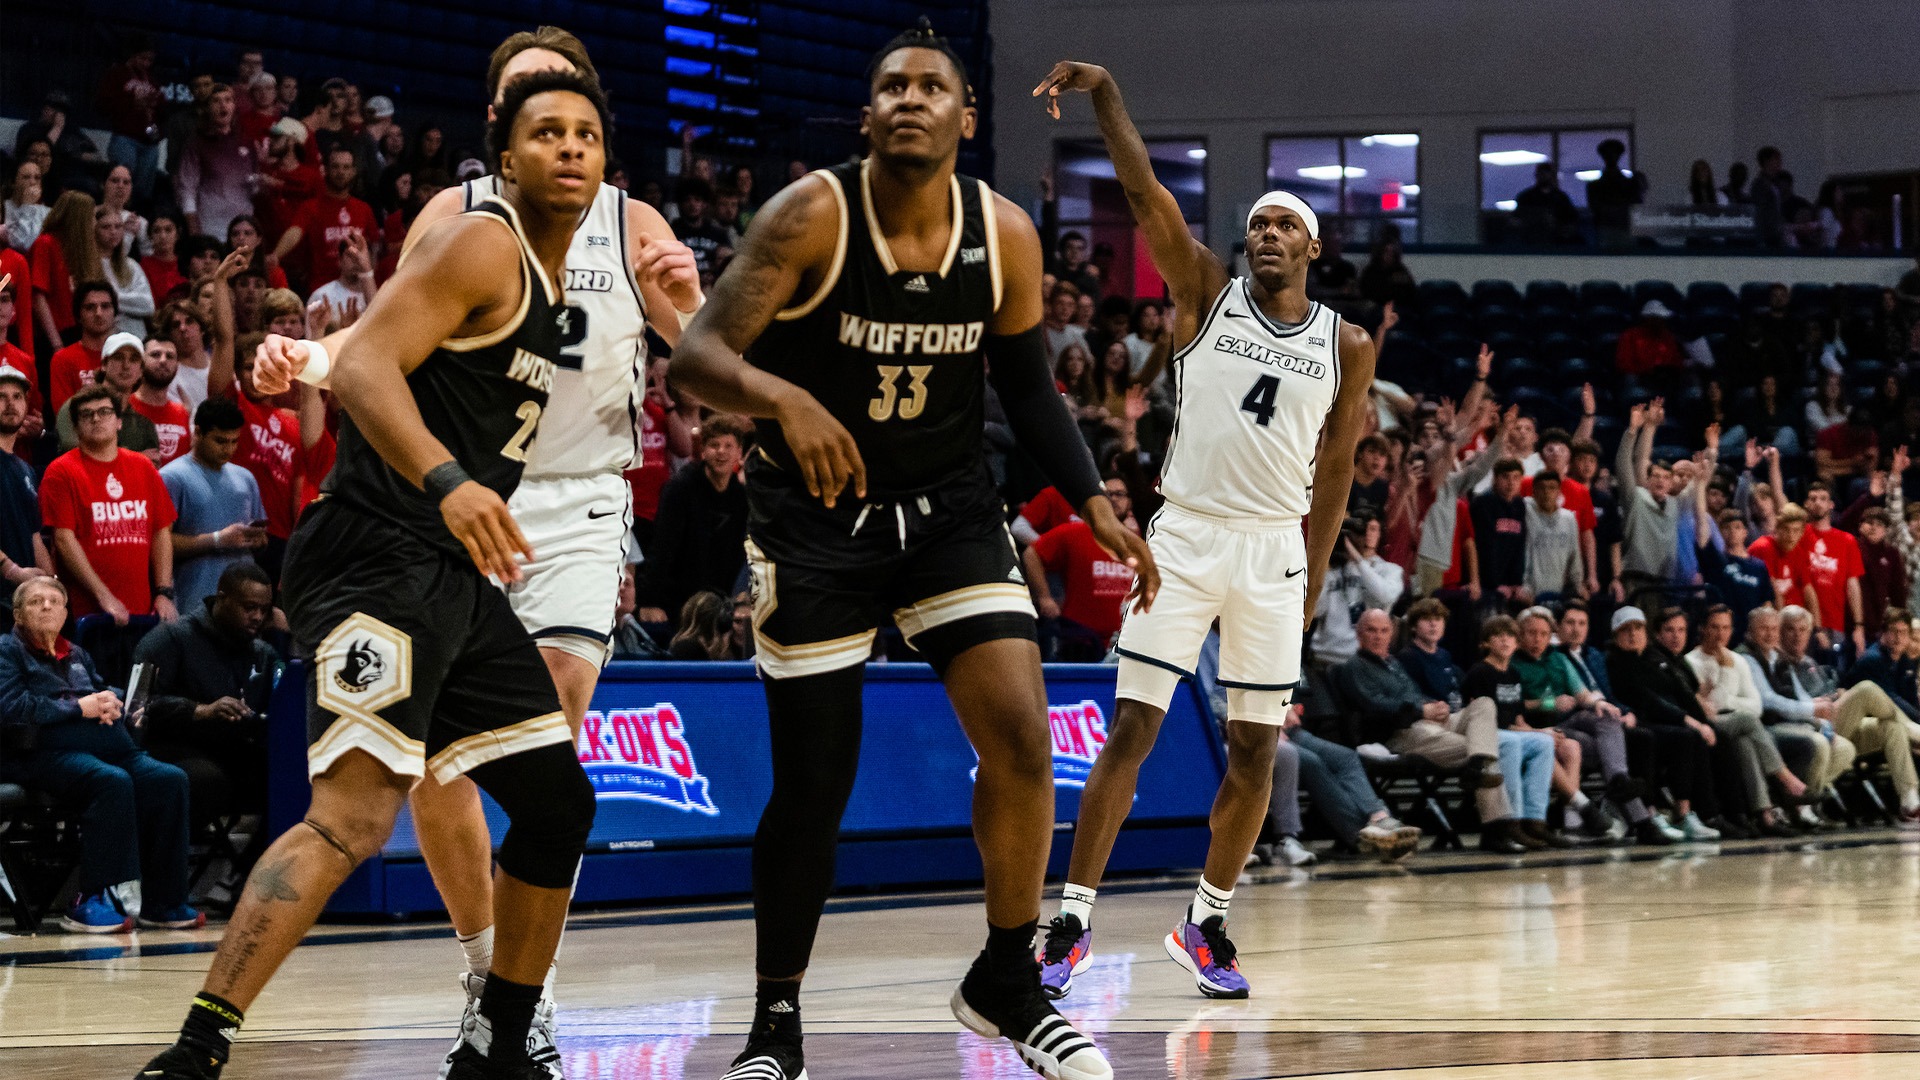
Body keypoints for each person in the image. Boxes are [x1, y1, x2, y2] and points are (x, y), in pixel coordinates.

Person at [670, 27, 1154, 1080]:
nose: (909, 98)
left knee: (1024, 740)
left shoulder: (1006, 235)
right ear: (865, 112)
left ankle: (1005, 977)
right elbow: (697, 358)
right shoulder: (808, 216)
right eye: (890, 84)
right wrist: (784, 397)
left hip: (948, 514)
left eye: (932, 86)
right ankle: (775, 1022)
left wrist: (1092, 498)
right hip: (815, 525)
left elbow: (1027, 387)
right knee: (814, 786)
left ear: (966, 118)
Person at [133, 68, 611, 1080]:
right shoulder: (484, 239)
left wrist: (301, 361)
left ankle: (501, 1044)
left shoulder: (557, 279)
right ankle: (194, 1051)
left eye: (587, 134)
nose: (570, 148)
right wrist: (447, 479)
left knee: (559, 803)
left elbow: (353, 347)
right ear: (507, 157)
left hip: (448, 570)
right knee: (352, 817)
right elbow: (363, 368)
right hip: (373, 554)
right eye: (547, 133)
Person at [1034, 54, 1376, 999]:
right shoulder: (1203, 290)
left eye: (1285, 226)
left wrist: (1311, 580)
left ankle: (1207, 924)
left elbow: (1337, 469)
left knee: (1258, 747)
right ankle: (1070, 921)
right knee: (1132, 730)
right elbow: (1143, 189)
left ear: (1312, 248)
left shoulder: (1346, 342)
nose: (1267, 234)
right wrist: (1107, 95)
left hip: (1273, 547)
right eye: (1259, 222)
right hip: (1181, 537)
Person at [0, 577, 201, 933]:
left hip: (102, 745)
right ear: (17, 614)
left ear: (65, 613)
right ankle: (92, 900)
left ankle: (164, 901)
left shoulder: (76, 653)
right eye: (35, 602)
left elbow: (96, 688)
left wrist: (113, 700)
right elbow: (12, 708)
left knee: (169, 779)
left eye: (54, 601)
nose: (46, 606)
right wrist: (80, 708)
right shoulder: (6, 652)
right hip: (40, 752)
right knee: (110, 781)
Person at [1340, 607, 1524, 853]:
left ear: (1392, 633)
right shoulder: (1354, 667)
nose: (1378, 636)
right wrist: (1420, 711)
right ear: (1358, 633)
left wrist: (1432, 706)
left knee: (1483, 705)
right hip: (1399, 733)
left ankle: (1478, 765)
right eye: (1371, 630)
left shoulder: (1393, 663)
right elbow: (1374, 707)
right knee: (1485, 752)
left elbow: (1414, 695)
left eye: (1384, 630)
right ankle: (1496, 829)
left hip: (1428, 723)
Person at [130, 561, 279, 828]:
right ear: (222, 599)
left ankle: (256, 866)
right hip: (170, 748)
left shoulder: (263, 653)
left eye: (264, 610)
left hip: (235, 749)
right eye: (249, 608)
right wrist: (200, 710)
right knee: (207, 779)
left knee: (290, 772)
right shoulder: (170, 638)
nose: (257, 616)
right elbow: (136, 706)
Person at [1760, 605, 1920, 827]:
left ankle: (1909, 802)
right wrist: (1823, 703)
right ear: (1780, 632)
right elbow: (1787, 704)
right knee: (1867, 689)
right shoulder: (1778, 664)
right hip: (1817, 725)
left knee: (1892, 727)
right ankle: (1917, 732)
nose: (1798, 636)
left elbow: (1827, 693)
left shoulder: (1810, 663)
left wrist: (1834, 695)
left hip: (1839, 724)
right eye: (1790, 629)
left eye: (1803, 630)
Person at [1510, 607, 1652, 842]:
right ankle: (1637, 817)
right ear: (1520, 636)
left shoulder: (1557, 657)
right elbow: (1511, 707)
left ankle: (1618, 781)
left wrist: (1598, 703)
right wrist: (1548, 703)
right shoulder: (1514, 663)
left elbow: (1583, 694)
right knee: (1597, 747)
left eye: (1544, 634)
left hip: (1568, 720)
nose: (1538, 639)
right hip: (1538, 727)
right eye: (1531, 633)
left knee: (1607, 716)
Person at [40, 384, 178, 625]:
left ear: (119, 422)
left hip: (145, 608)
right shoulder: (61, 471)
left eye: (104, 412)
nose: (96, 418)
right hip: (87, 611)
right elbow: (63, 539)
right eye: (87, 414)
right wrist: (103, 595)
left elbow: (161, 531)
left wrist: (163, 592)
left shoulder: (143, 467)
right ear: (75, 426)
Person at [1685, 604, 1809, 836]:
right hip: (1708, 725)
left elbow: (1756, 705)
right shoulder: (1691, 662)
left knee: (1746, 742)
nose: (1720, 634)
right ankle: (1785, 777)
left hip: (1738, 724)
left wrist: (1727, 700)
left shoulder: (1737, 661)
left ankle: (1764, 815)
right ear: (1702, 629)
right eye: (1714, 627)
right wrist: (1722, 677)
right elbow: (1705, 711)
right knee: (1746, 722)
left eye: (1725, 628)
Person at [1604, 606, 1725, 840]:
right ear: (1616, 634)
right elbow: (1649, 700)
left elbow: (1678, 692)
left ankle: (1686, 812)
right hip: (1632, 721)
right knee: (1677, 736)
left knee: (1695, 736)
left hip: (1653, 719)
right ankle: (1651, 814)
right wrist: (1690, 721)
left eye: (1638, 628)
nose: (1633, 634)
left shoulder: (1649, 659)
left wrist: (1699, 720)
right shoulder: (1616, 661)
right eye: (1626, 629)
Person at [1461, 616, 1566, 847]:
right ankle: (1512, 821)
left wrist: (1539, 733)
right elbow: (1487, 720)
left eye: (1510, 636)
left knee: (1544, 743)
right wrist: (1535, 732)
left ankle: (1535, 820)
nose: (1505, 641)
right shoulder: (1480, 672)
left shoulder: (1513, 674)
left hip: (1511, 731)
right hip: (1486, 736)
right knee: (1513, 741)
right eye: (1498, 636)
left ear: (1517, 643)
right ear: (1486, 643)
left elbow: (1518, 717)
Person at [635, 415, 749, 625]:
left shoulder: (742, 497)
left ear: (739, 453)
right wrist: (650, 601)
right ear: (703, 451)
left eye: (728, 446)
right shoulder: (679, 489)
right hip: (677, 599)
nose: (721, 452)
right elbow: (662, 549)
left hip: (720, 601)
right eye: (714, 445)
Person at [161, 397, 268, 612]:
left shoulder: (246, 478)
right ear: (198, 433)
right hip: (195, 600)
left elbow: (262, 538)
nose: (228, 449)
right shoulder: (171, 477)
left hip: (242, 605)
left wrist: (258, 539)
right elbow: (160, 543)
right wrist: (217, 540)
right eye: (220, 441)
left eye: (234, 441)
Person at [1023, 476, 1137, 661]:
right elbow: (1031, 554)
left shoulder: (1138, 542)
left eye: (1120, 494)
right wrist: (1044, 598)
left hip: (1125, 644)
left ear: (1130, 502)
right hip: (1078, 642)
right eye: (1107, 494)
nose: (1113, 499)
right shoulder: (1075, 532)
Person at [268, 147, 378, 293]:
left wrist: (369, 278)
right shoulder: (310, 207)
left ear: (353, 171)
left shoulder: (364, 209)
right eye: (335, 167)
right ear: (325, 169)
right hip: (321, 289)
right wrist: (276, 255)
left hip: (357, 290)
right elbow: (295, 232)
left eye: (346, 167)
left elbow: (375, 246)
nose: (341, 172)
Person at [1614, 400, 1684, 610]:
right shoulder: (1636, 497)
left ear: (1671, 482)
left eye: (1665, 477)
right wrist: (1634, 430)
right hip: (1636, 580)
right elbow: (1624, 464)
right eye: (1655, 476)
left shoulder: (1674, 504)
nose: (1660, 481)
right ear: (1647, 479)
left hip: (1665, 584)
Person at [52, 330, 162, 460]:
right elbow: (76, 453)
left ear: (141, 371)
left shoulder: (144, 425)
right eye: (118, 357)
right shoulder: (76, 406)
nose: (126, 365)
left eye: (133, 359)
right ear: (104, 364)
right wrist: (136, 459)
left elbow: (151, 468)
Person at [0, 366, 55, 603]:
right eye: (1, 396)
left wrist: (52, 585)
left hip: (22, 601)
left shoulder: (26, 470)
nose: (10, 403)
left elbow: (35, 537)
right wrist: (11, 571)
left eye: (17, 396)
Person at [1792, 482, 1867, 654]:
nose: (1818, 502)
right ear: (1806, 504)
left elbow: (1852, 585)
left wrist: (1858, 626)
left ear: (1831, 504)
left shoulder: (1847, 541)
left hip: (1834, 622)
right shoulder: (1797, 534)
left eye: (1823, 498)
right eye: (1813, 498)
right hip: (1800, 622)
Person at [176, 84, 256, 241]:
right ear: (207, 108)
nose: (223, 105)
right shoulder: (196, 144)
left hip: (243, 228)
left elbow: (254, 185)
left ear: (234, 106)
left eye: (228, 100)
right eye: (216, 101)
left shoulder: (247, 143)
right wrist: (193, 228)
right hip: (211, 227)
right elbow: (187, 189)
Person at [48, 279, 115, 415]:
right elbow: (63, 415)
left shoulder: (126, 357)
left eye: (105, 306)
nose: (98, 313)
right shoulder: (63, 359)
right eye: (90, 307)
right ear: (79, 315)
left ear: (115, 312)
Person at [97, 205, 153, 337]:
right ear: (94, 230)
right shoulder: (89, 266)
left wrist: (109, 298)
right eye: (106, 227)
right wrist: (130, 302)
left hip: (137, 337)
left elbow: (148, 305)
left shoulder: (131, 265)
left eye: (118, 227)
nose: (113, 232)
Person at [1512, 161, 1579, 245]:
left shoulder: (1560, 198)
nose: (1544, 176)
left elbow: (1571, 218)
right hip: (1531, 240)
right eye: (1541, 174)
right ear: (1536, 175)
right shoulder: (1526, 197)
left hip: (1556, 241)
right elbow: (1517, 219)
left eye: (1547, 174)